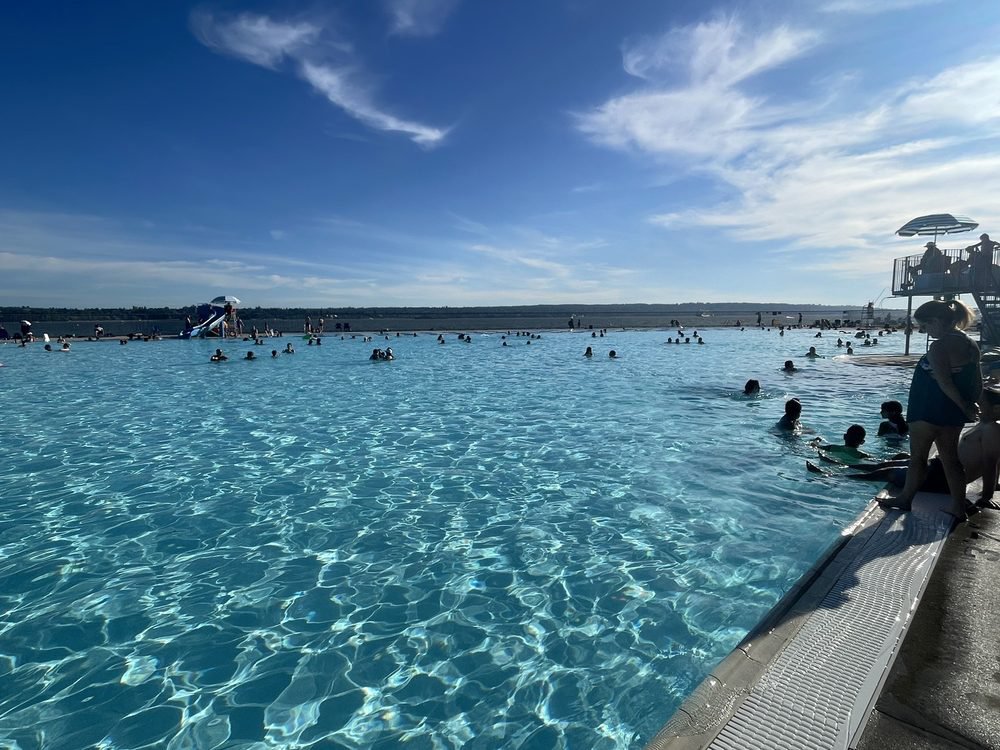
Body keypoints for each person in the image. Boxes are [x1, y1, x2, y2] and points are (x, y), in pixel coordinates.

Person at [881, 299, 981, 519]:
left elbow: (945, 383)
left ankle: (905, 499)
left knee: (918, 458)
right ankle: (958, 507)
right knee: (951, 460)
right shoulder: (970, 344)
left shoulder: (939, 347)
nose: (923, 330)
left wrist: (964, 404)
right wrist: (968, 404)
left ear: (936, 321)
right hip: (952, 414)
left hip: (926, 410)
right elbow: (976, 381)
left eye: (925, 326)